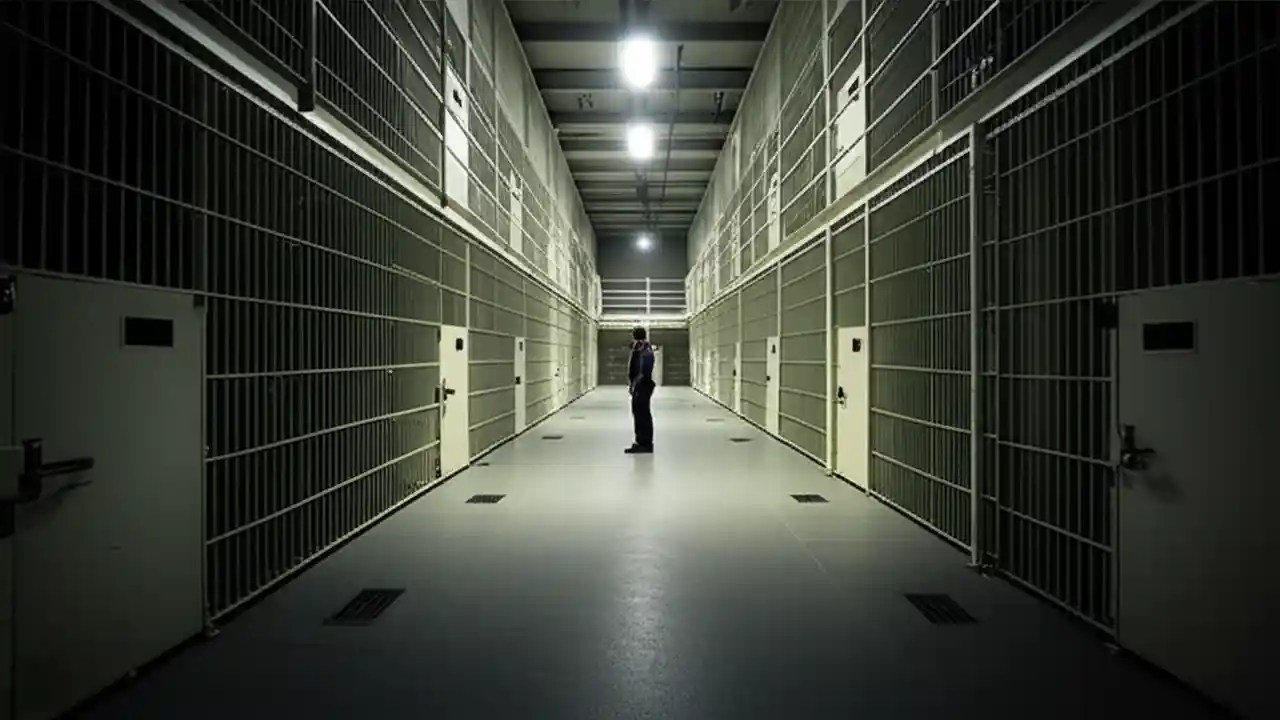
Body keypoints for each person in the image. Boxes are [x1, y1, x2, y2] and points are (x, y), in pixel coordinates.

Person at [626, 327, 656, 454]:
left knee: (642, 414)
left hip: (642, 385)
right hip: (640, 385)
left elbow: (644, 368)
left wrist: (637, 382)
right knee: (639, 413)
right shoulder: (641, 348)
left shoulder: (643, 348)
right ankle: (641, 441)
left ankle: (645, 443)